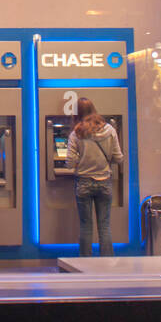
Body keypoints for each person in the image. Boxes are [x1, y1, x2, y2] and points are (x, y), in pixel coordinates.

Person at [66, 97, 124, 258]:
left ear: (77, 113)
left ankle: (85, 264)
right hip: (104, 183)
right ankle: (106, 263)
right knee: (104, 226)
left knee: (86, 227)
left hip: (84, 183)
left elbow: (69, 162)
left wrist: (81, 161)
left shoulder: (76, 134)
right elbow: (119, 158)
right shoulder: (110, 130)